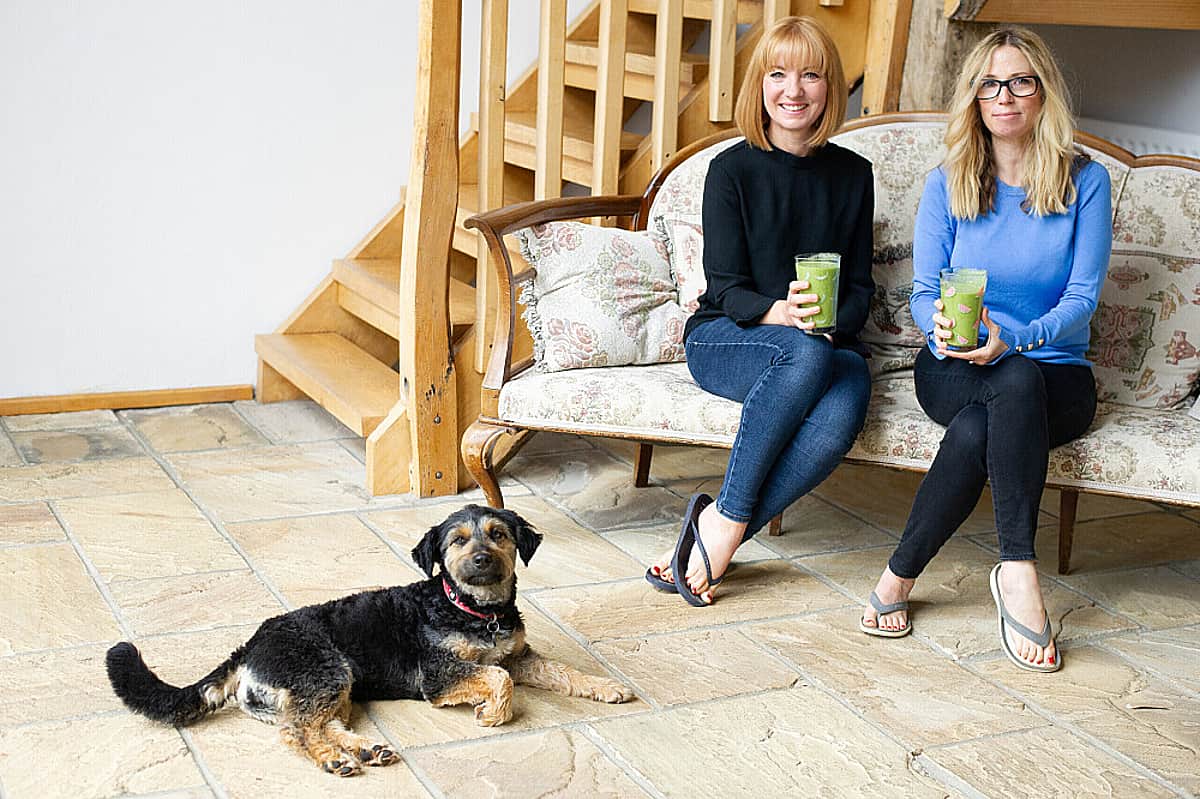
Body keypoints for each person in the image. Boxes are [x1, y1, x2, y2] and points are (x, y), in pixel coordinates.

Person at [859, 27, 1111, 673]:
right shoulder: (949, 182)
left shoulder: (1086, 181)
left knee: (1002, 398)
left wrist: (1015, 339)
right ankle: (1019, 568)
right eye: (990, 83)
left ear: (1042, 91)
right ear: (973, 96)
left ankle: (904, 574)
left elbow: (1082, 297)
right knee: (998, 391)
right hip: (951, 367)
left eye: (1020, 80)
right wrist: (938, 328)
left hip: (1057, 375)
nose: (1005, 95)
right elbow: (921, 292)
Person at [645, 16, 874, 607]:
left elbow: (860, 289)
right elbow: (724, 288)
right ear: (760, 85)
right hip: (728, 336)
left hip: (822, 343)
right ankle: (723, 525)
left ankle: (718, 529)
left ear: (831, 88)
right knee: (806, 354)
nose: (793, 90)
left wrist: (827, 323)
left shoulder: (854, 174)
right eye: (778, 73)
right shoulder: (731, 170)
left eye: (810, 75)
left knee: (847, 395)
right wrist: (781, 314)